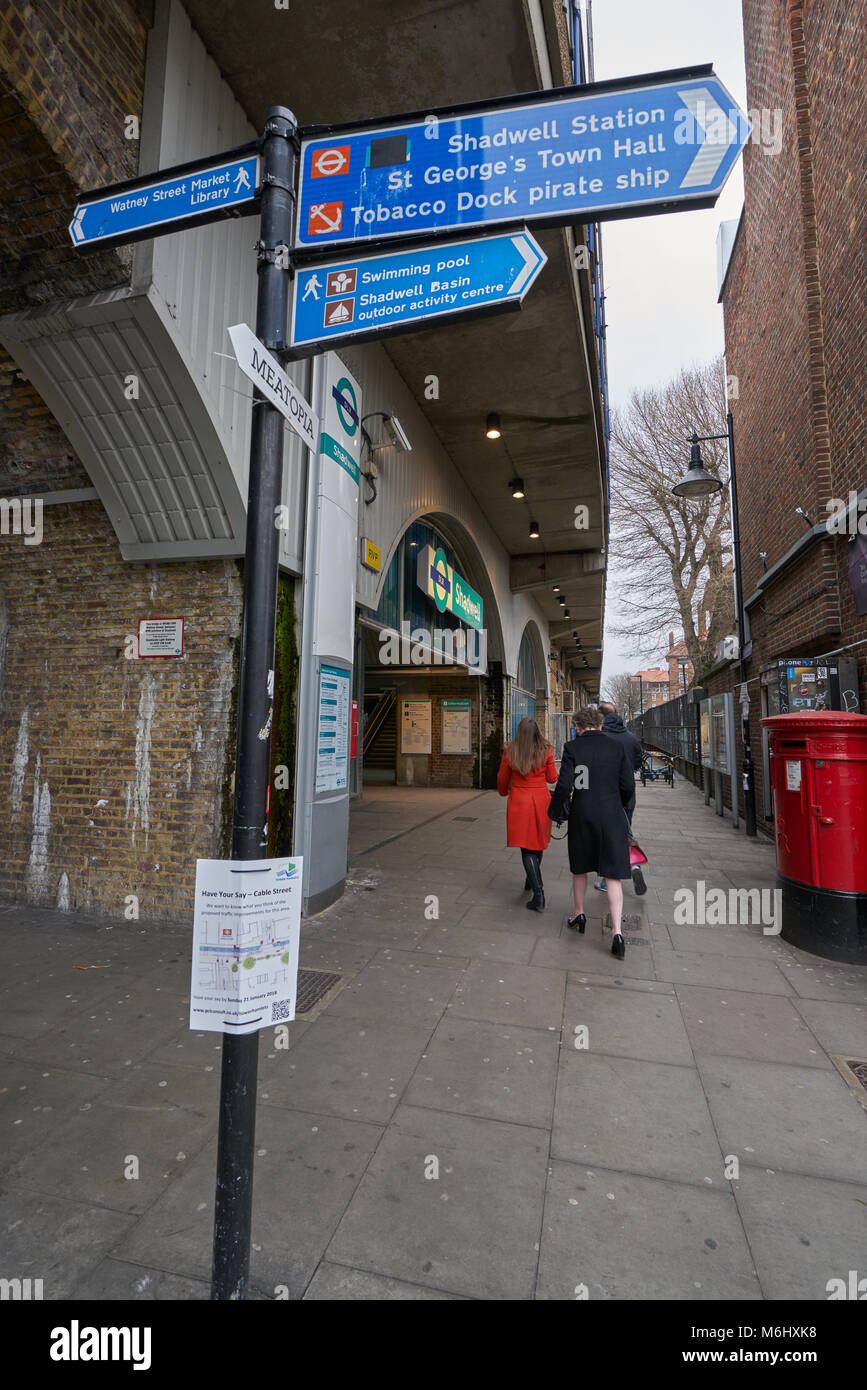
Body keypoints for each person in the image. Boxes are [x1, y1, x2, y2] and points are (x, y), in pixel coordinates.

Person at [548, 704, 635, 958]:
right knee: (612, 875)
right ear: (600, 725)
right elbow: (628, 784)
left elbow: (564, 786)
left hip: (582, 813)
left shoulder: (573, 748)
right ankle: (617, 932)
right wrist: (619, 803)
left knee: (580, 868)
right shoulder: (616, 747)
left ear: (577, 728)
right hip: (611, 815)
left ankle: (579, 914)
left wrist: (555, 811)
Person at [497, 717, 558, 912]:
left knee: (526, 848)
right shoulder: (546, 750)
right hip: (541, 800)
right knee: (537, 843)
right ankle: (531, 879)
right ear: (537, 732)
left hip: (520, 801)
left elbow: (502, 778)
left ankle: (538, 894)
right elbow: (552, 778)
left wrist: (503, 792)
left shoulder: (510, 750)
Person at [594, 700, 646, 896]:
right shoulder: (631, 738)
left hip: (605, 794)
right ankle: (634, 866)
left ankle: (609, 880)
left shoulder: (600, 737)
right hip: (628, 794)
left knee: (607, 837)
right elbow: (638, 763)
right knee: (625, 831)